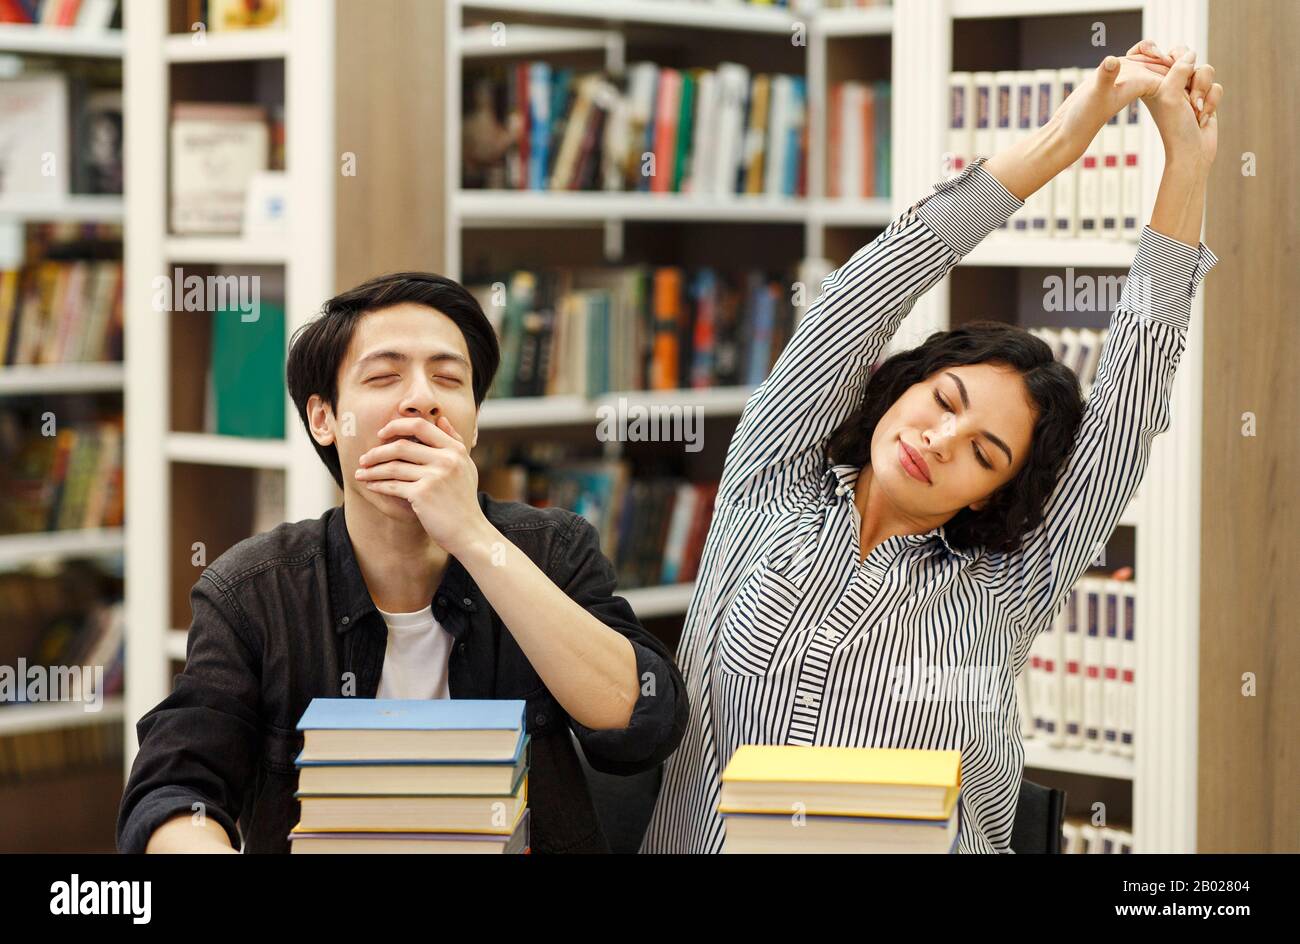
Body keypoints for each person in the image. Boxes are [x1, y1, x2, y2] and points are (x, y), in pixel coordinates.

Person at [640, 41, 1222, 853]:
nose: (941, 440)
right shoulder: (768, 487)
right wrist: (1061, 140)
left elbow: (1133, 390)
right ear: (901, 385)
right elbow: (868, 287)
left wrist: (1186, 164)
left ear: (991, 493)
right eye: (943, 401)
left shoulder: (1008, 586)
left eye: (985, 455)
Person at [117, 273, 689, 854]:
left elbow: (641, 721)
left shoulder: (552, 550)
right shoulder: (254, 590)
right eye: (384, 376)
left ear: (472, 423)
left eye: (449, 378)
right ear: (323, 419)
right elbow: (174, 788)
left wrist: (471, 535)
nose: (422, 398)